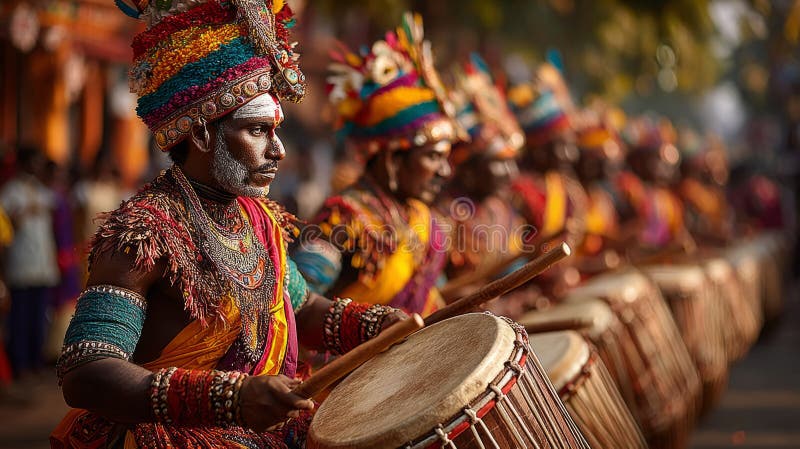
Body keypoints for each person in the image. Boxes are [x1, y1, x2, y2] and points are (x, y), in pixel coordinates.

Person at [51, 2, 405, 448]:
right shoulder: (143, 233)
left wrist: (375, 325)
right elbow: (86, 370)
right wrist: (227, 398)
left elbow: (301, 307)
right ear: (200, 134)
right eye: (258, 130)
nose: (278, 150)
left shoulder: (259, 222)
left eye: (275, 131)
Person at [292, 13, 464, 317]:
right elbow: (298, 307)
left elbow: (429, 299)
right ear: (392, 159)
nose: (445, 171)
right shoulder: (344, 218)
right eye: (434, 157)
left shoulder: (425, 221)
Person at [439, 53, 530, 311]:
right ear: (468, 170)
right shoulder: (442, 216)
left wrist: (521, 295)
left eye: (512, 161)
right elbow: (431, 292)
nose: (511, 173)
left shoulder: (503, 211)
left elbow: (515, 275)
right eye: (499, 162)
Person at [0, 147, 60, 381]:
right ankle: (20, 364)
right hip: (21, 264)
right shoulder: (10, 192)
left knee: (38, 318)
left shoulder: (42, 191)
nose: (35, 167)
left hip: (42, 264)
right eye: (32, 162)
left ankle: (36, 361)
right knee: (20, 319)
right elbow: (6, 227)